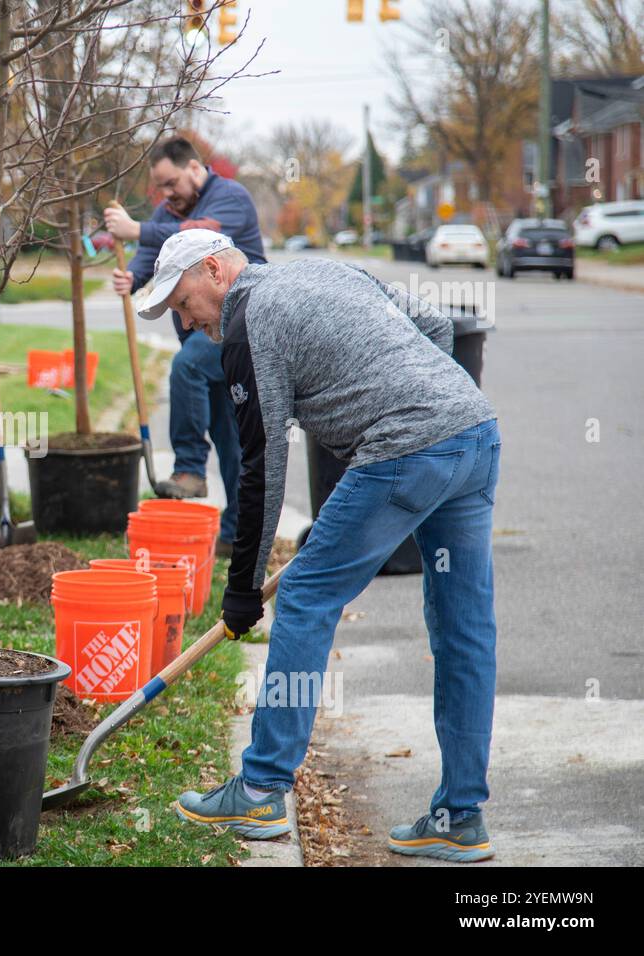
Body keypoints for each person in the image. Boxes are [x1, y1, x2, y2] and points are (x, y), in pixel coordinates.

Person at [136, 230, 500, 863]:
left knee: (303, 596)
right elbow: (435, 324)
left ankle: (260, 786)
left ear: (217, 270)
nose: (185, 320)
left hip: (407, 449)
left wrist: (243, 588)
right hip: (474, 432)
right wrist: (429, 405)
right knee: (463, 627)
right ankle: (459, 815)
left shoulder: (250, 324)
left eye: (181, 299)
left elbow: (262, 464)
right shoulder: (324, 272)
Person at [107, 137, 267, 555]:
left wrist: (137, 227)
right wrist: (132, 278)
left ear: (195, 168)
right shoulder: (167, 213)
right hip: (207, 333)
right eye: (159, 187)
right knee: (231, 437)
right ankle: (237, 534)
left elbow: (206, 234)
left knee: (187, 368)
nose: (166, 194)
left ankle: (190, 468)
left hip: (240, 325)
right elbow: (153, 260)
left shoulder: (230, 198)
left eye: (171, 182)